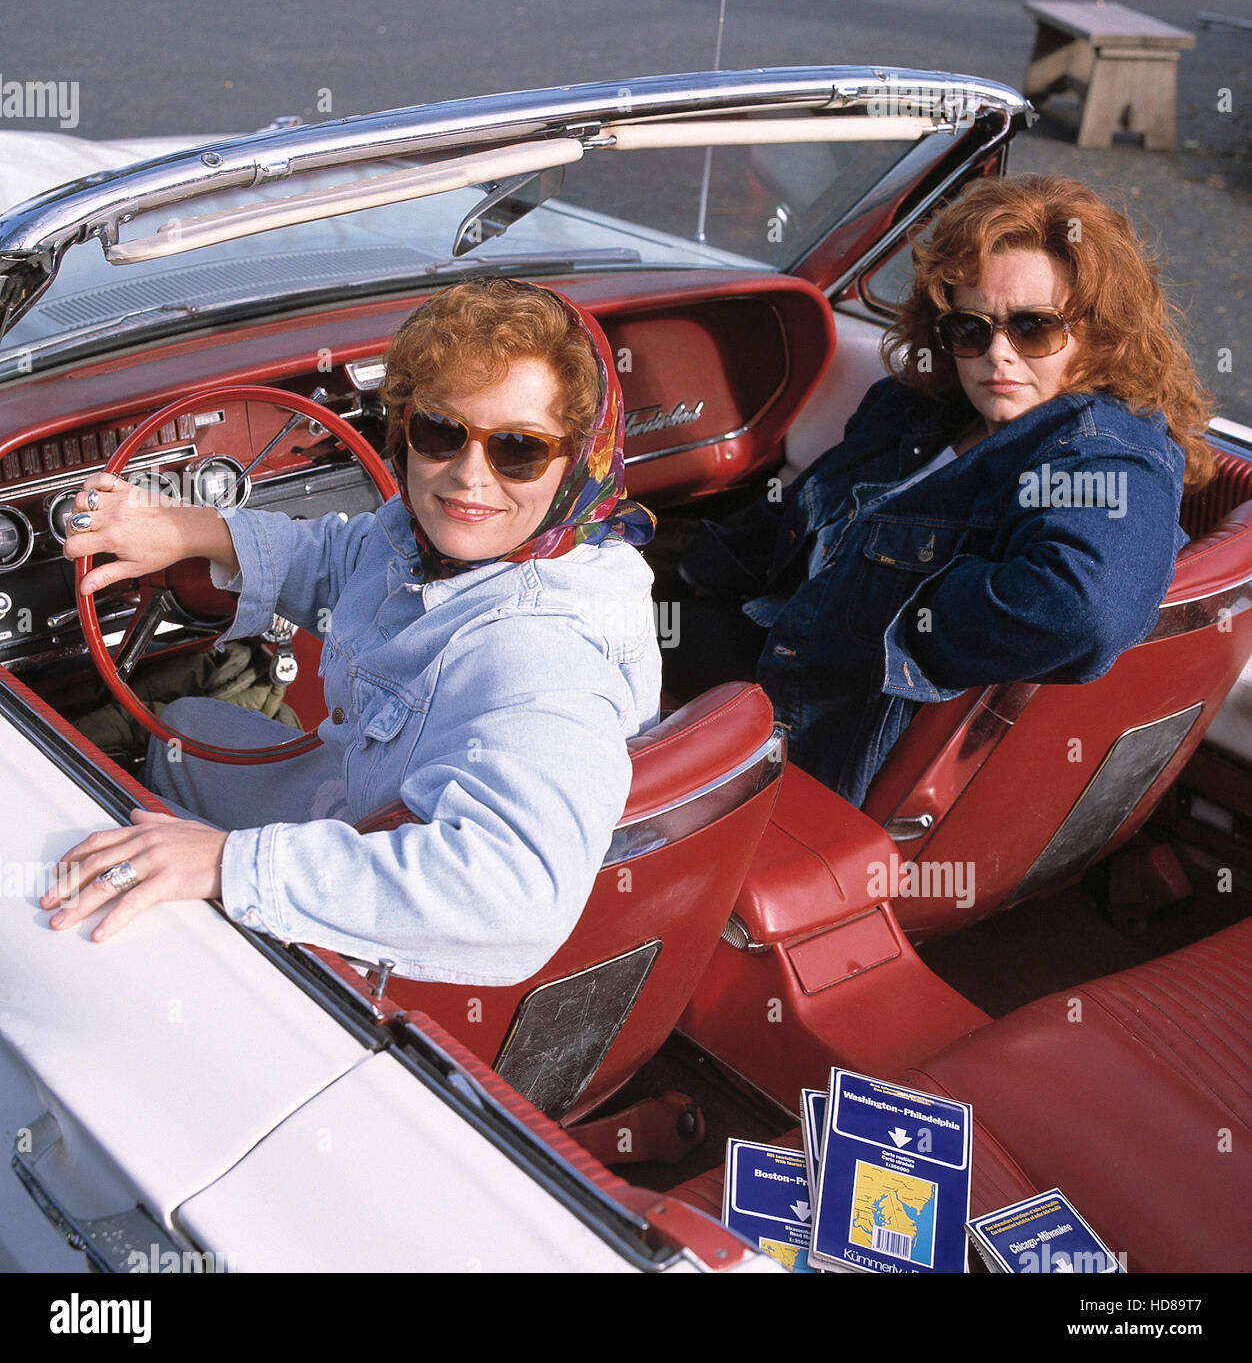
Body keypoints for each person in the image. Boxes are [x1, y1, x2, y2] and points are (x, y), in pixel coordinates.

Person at [40, 278, 661, 985]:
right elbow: (350, 560)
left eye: (518, 449)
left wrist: (225, 864)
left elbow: (512, 900)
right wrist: (193, 528)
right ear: (404, 430)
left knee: (159, 764)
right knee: (181, 730)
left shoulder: (541, 655)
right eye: (440, 431)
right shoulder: (468, 546)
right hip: (371, 799)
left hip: (395, 893)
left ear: (577, 456)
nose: (468, 476)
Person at [671, 173, 1213, 807]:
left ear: (1097, 331)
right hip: (772, 631)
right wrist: (690, 567)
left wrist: (893, 612)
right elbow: (802, 515)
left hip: (824, 718)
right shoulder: (915, 407)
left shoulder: (1102, 454)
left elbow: (1079, 611)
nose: (998, 355)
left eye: (1034, 328)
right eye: (971, 328)